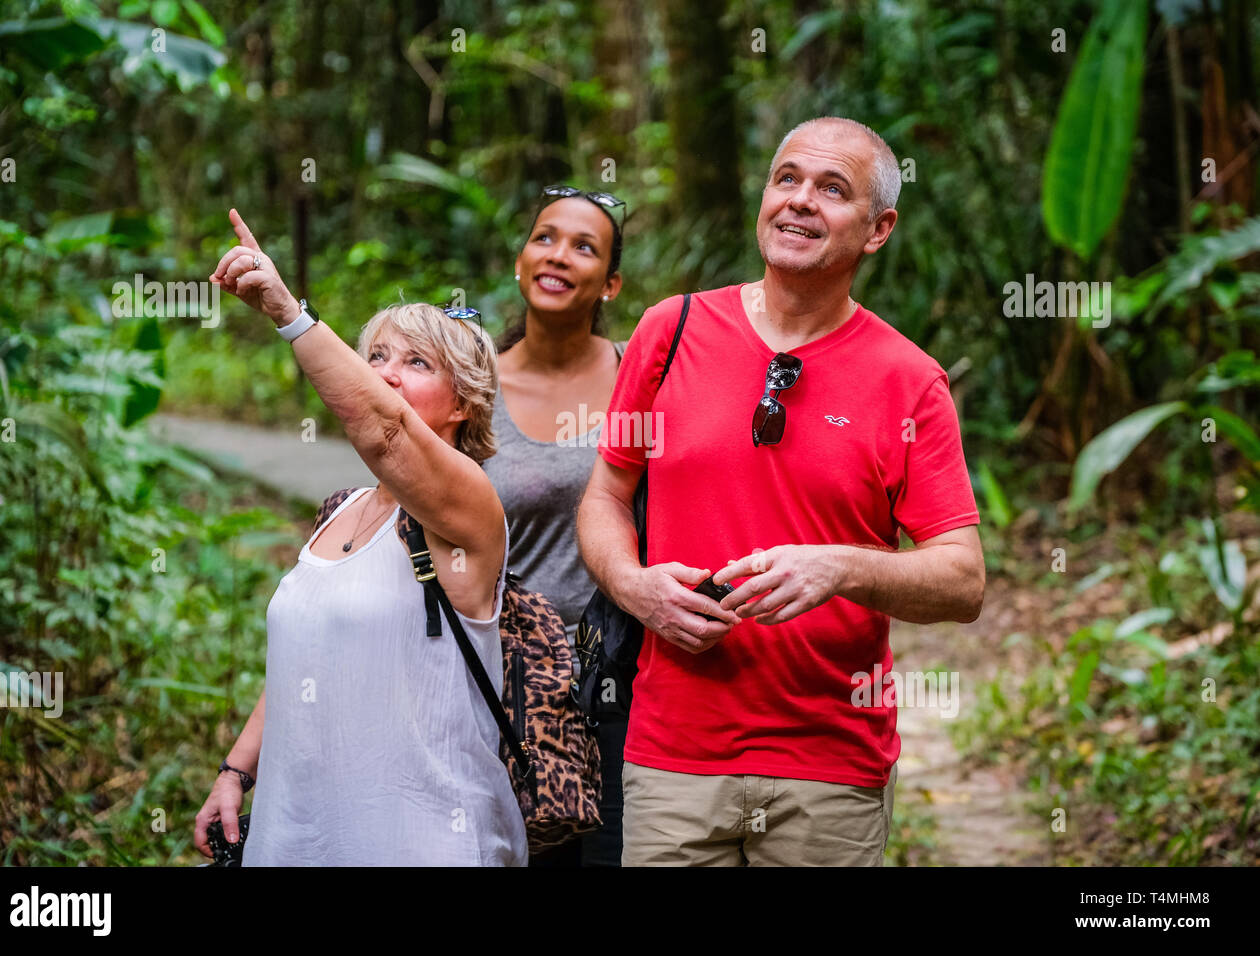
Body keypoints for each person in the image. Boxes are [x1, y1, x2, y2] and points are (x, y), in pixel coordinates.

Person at [576, 117, 985, 866]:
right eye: (787, 179)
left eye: (833, 189)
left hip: (828, 768)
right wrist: (633, 584)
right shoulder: (670, 332)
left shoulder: (909, 381)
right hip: (674, 754)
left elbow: (962, 580)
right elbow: (606, 493)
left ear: (877, 228)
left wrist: (841, 568)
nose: (800, 201)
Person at [193, 209, 526, 866]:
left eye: (415, 361)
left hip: (424, 840)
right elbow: (308, 657)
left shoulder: (469, 505)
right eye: (375, 355)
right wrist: (235, 772)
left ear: (463, 404)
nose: (385, 371)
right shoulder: (341, 512)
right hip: (300, 837)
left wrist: (290, 313)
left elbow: (386, 432)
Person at [483, 185, 629, 866]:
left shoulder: (642, 371)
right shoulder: (472, 382)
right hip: (500, 689)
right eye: (545, 237)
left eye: (584, 246)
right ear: (520, 261)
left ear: (611, 283)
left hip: (619, 685)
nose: (559, 255)